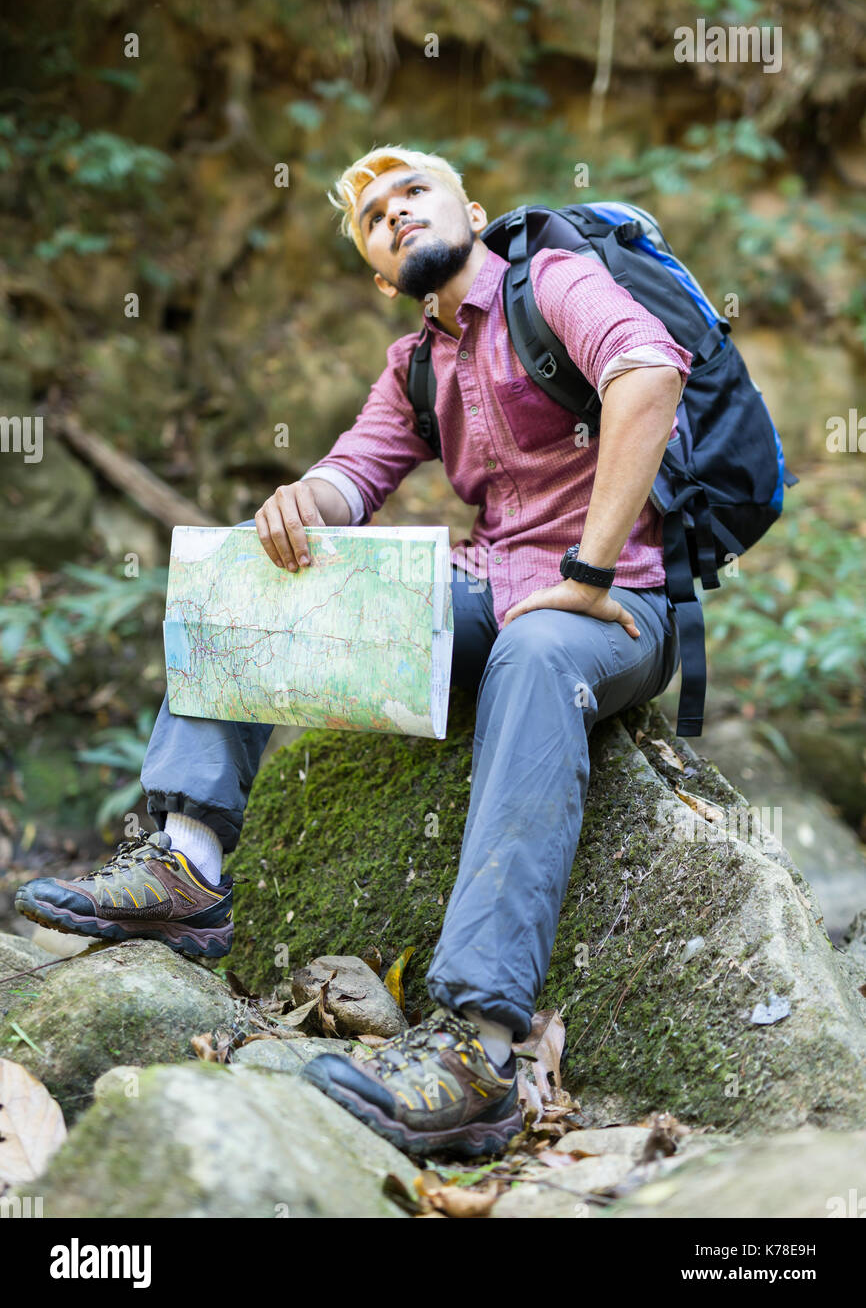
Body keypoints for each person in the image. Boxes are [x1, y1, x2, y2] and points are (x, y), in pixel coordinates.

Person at [17, 145, 690, 1158]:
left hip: (613, 604)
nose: (396, 212)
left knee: (536, 656)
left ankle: (479, 1050)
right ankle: (188, 866)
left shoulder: (551, 279)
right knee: (253, 571)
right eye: (375, 215)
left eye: (413, 190)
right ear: (380, 272)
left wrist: (588, 569)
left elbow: (649, 372)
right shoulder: (416, 360)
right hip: (485, 587)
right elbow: (353, 474)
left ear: (470, 204)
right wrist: (301, 505)